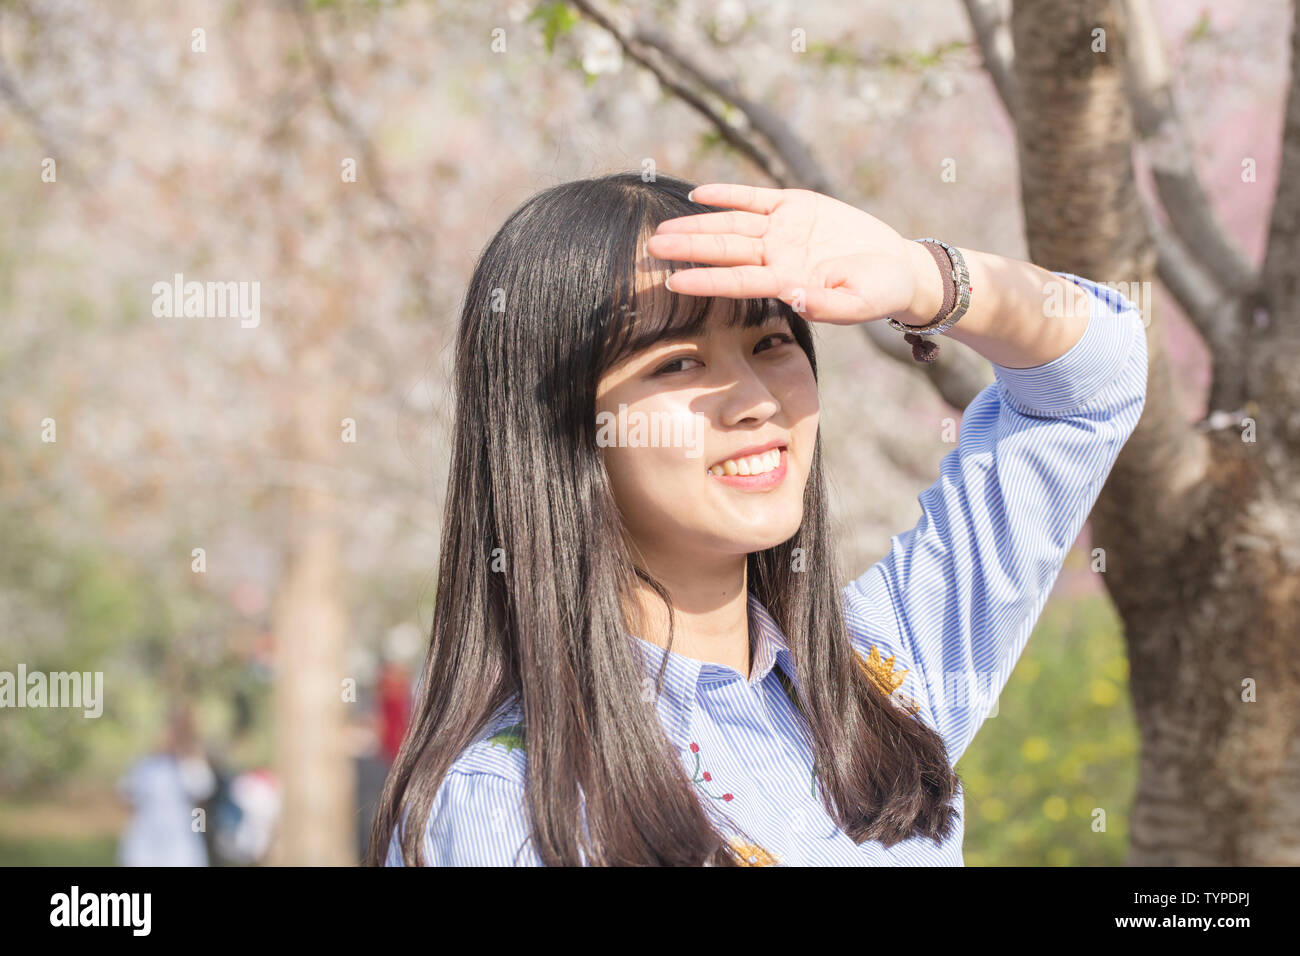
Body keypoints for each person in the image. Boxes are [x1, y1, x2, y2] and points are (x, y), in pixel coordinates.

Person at [368, 173, 1148, 866]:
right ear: (561, 429)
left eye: (771, 341)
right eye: (677, 361)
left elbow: (1095, 378)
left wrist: (922, 276)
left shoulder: (881, 674)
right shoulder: (510, 805)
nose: (757, 400)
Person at [117, 704, 215, 867]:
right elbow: (127, 794)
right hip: (145, 843)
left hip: (180, 843)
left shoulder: (192, 764)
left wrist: (186, 754)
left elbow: (203, 789)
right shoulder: (146, 765)